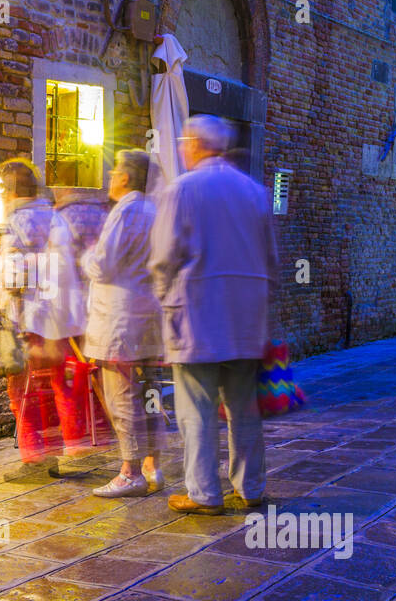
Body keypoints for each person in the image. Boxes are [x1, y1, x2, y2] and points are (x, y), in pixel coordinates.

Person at [149, 115, 279, 515]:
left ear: (195, 144)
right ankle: (251, 487)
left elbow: (163, 258)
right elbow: (272, 258)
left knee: (196, 408)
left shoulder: (182, 189)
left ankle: (204, 493)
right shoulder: (255, 191)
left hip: (197, 314)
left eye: (185, 142)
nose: (182, 149)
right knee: (244, 407)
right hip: (246, 317)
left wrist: (162, 302)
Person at [0, 160, 90, 468]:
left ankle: (34, 456)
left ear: (10, 189)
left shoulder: (18, 220)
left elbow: (15, 274)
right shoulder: (54, 218)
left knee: (22, 390)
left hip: (27, 318)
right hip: (58, 318)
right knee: (58, 383)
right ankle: (73, 444)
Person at [82, 150, 165, 498]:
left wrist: (85, 256)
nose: (110, 177)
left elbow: (102, 265)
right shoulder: (154, 210)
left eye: (114, 171)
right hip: (148, 316)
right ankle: (152, 465)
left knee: (122, 395)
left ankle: (129, 471)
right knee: (150, 392)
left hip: (120, 319)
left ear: (126, 178)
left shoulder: (126, 210)